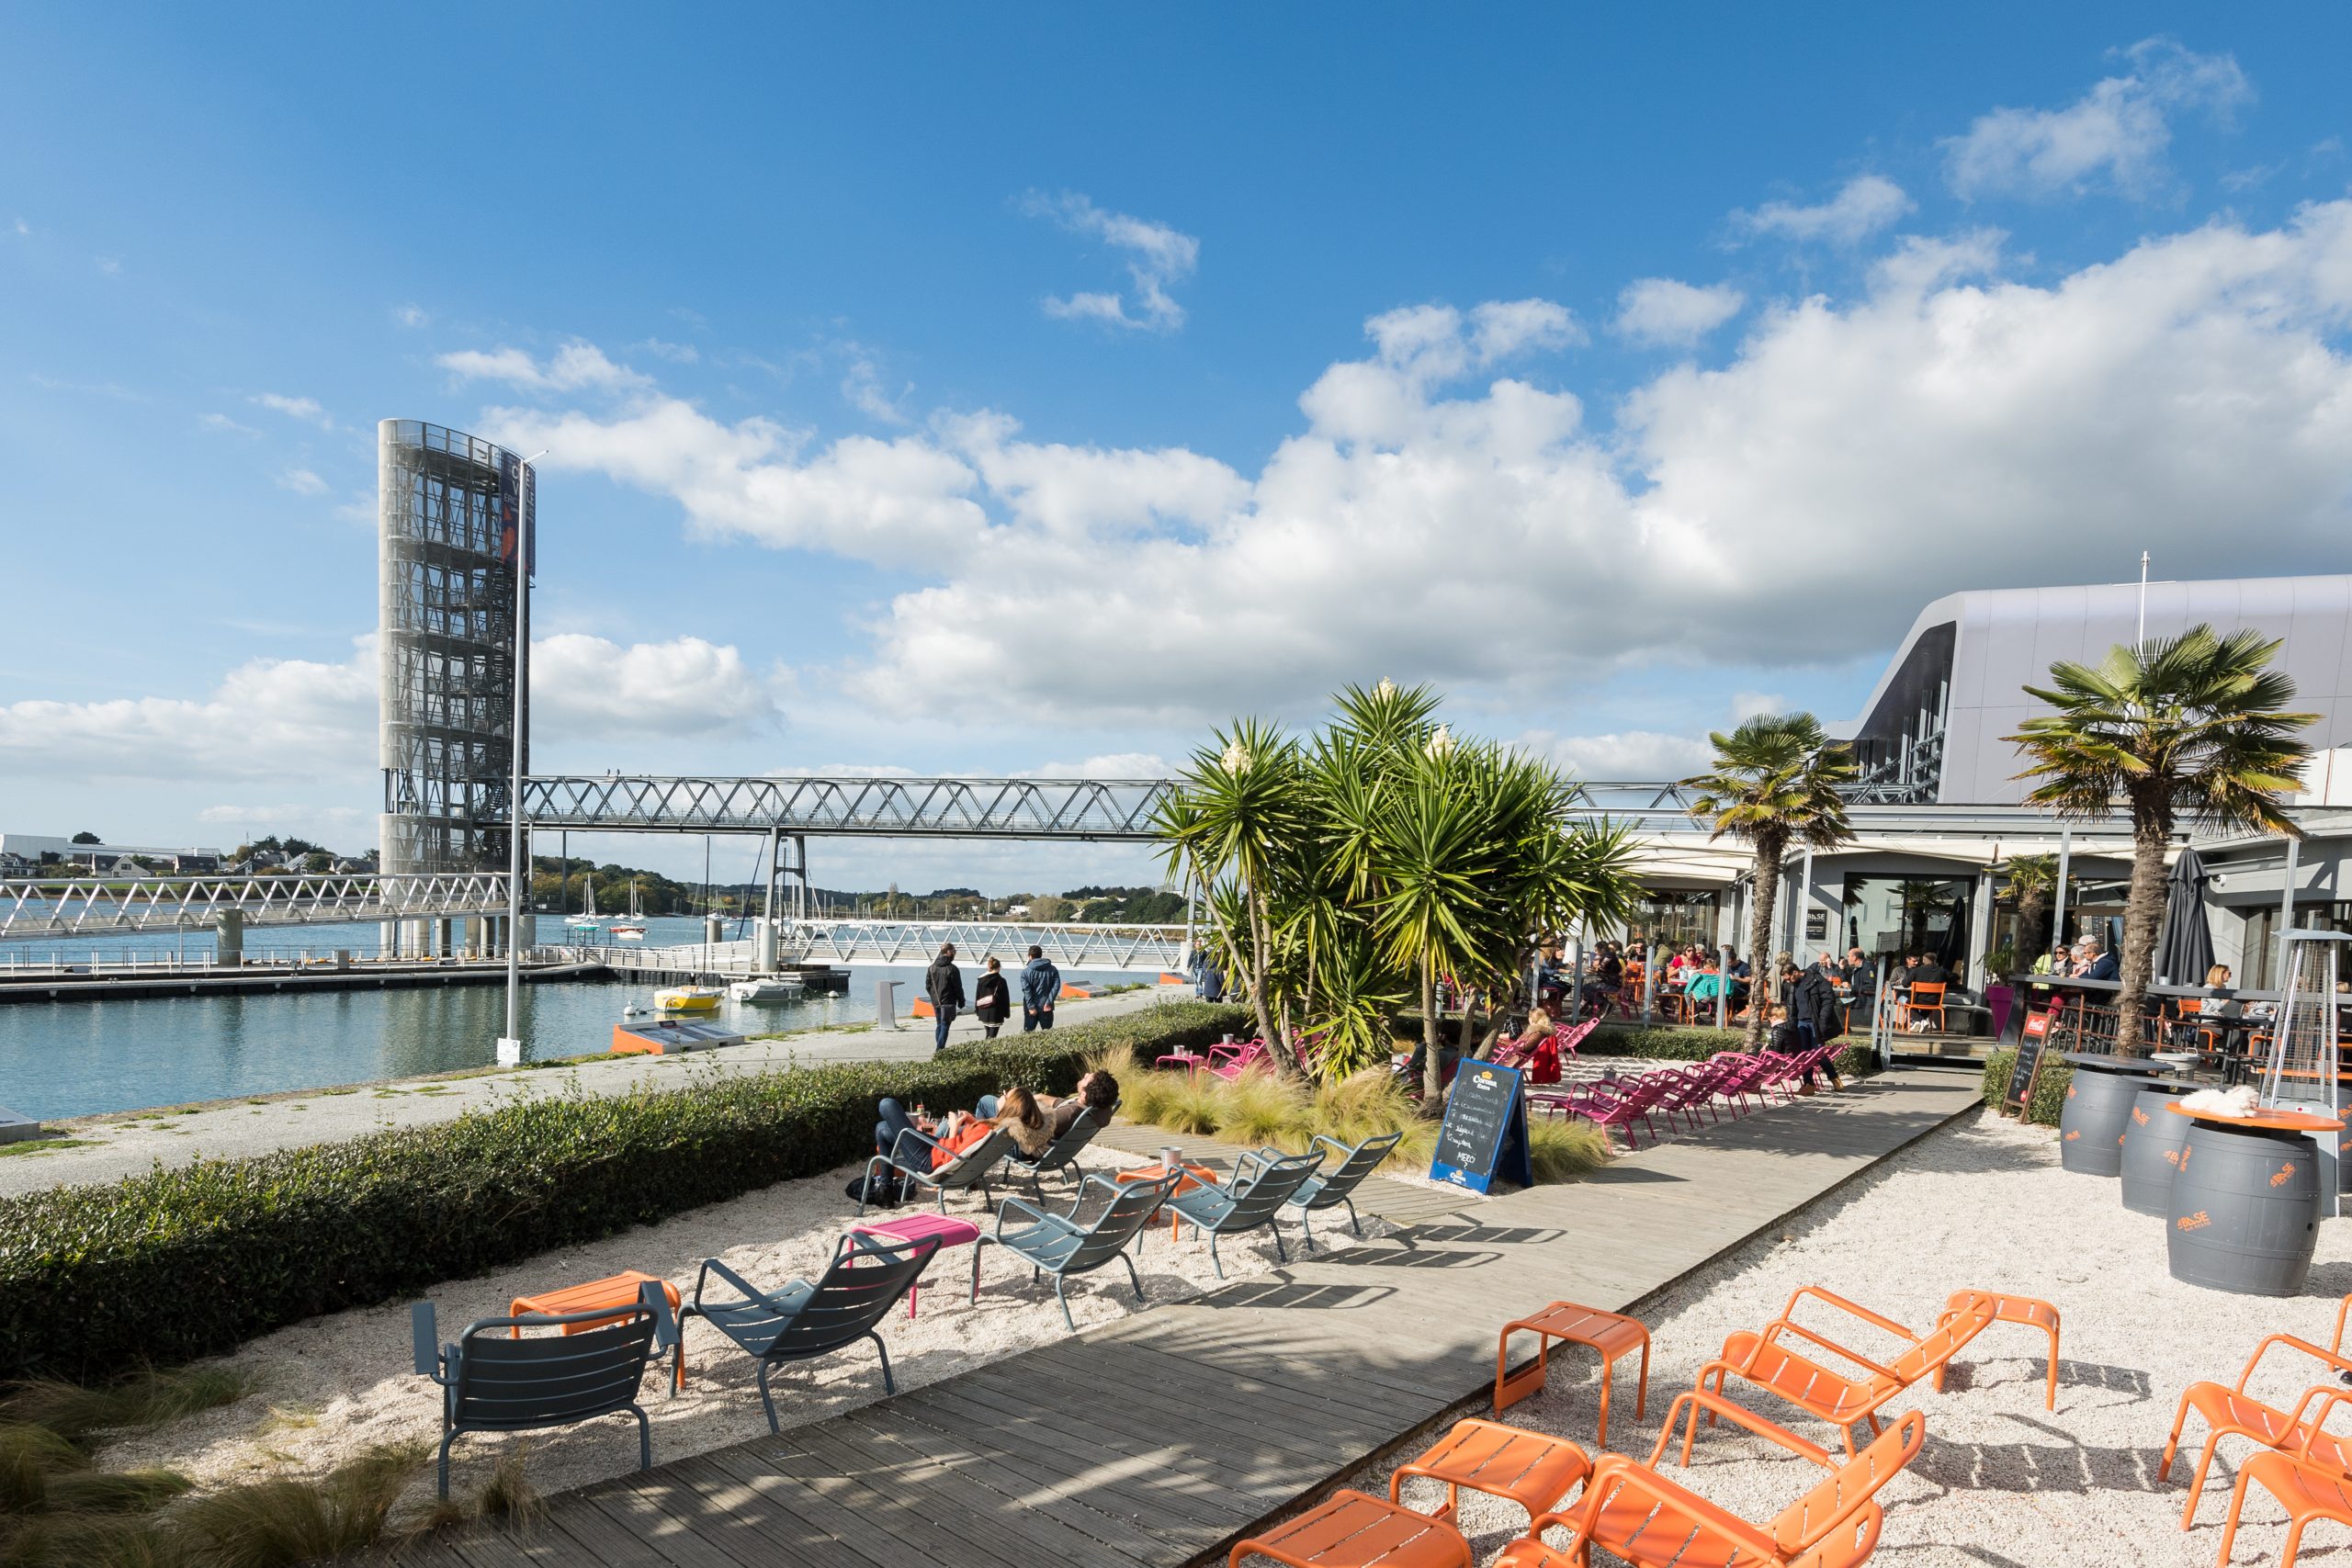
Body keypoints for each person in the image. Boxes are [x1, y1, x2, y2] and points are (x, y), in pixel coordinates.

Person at [875, 1083, 1050, 1168]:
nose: (1001, 1096)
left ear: (1008, 1106)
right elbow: (977, 1138)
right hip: (935, 1148)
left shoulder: (988, 1130)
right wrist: (972, 1122)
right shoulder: (1002, 1130)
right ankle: (885, 1189)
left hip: (931, 1158)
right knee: (882, 1128)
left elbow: (952, 1160)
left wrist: (952, 1127)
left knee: (887, 1104)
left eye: (1004, 1095)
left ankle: (885, 1188)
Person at [1789, 955, 1849, 1091]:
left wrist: (1822, 1022)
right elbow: (1792, 1005)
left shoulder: (1817, 981)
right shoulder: (1793, 985)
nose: (1787, 981)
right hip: (1801, 1022)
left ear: (1795, 973)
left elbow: (1828, 1001)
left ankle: (1834, 1078)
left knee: (1818, 1053)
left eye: (1788, 978)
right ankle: (1809, 1084)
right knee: (1805, 1054)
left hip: (1814, 1021)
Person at [1035, 1068, 1120, 1138]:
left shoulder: (1070, 1113)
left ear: (1084, 1093)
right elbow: (1057, 1102)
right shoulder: (1093, 1109)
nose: (1086, 1074)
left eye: (1086, 1078)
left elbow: (1031, 1126)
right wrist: (1038, 1097)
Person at [924, 942, 965, 1052]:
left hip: (936, 1001)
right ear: (949, 952)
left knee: (939, 1024)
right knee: (945, 1025)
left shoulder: (932, 968)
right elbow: (958, 988)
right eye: (954, 951)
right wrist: (961, 1001)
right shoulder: (952, 969)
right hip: (949, 1001)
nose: (955, 953)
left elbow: (928, 986)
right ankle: (940, 1049)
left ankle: (940, 1047)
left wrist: (933, 996)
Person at [1021, 944, 1061, 1032]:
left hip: (1031, 1007)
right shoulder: (1053, 969)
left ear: (1030, 956)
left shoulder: (1025, 972)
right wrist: (1048, 1002)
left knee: (1029, 1035)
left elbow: (1027, 991)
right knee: (1048, 1033)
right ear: (1041, 955)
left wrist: (1031, 1007)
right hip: (1046, 1006)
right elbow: (1056, 987)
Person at [973, 955, 1011, 1038]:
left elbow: (978, 995)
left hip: (984, 1010)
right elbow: (1005, 998)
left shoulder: (981, 980)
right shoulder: (1001, 981)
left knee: (988, 1034)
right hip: (996, 1011)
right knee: (992, 1036)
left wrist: (977, 1010)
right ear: (999, 967)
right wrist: (1006, 1013)